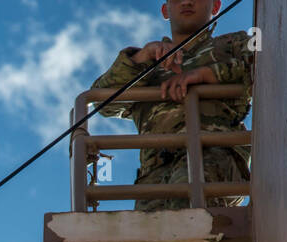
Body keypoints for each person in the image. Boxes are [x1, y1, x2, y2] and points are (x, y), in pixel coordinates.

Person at [91, 0, 254, 211]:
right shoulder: (147, 67)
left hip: (215, 157)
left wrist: (209, 74)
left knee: (186, 198)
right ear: (165, 10)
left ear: (215, 6)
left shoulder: (233, 44)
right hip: (156, 172)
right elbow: (103, 103)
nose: (186, 1)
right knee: (151, 234)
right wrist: (142, 57)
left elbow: (266, 66)